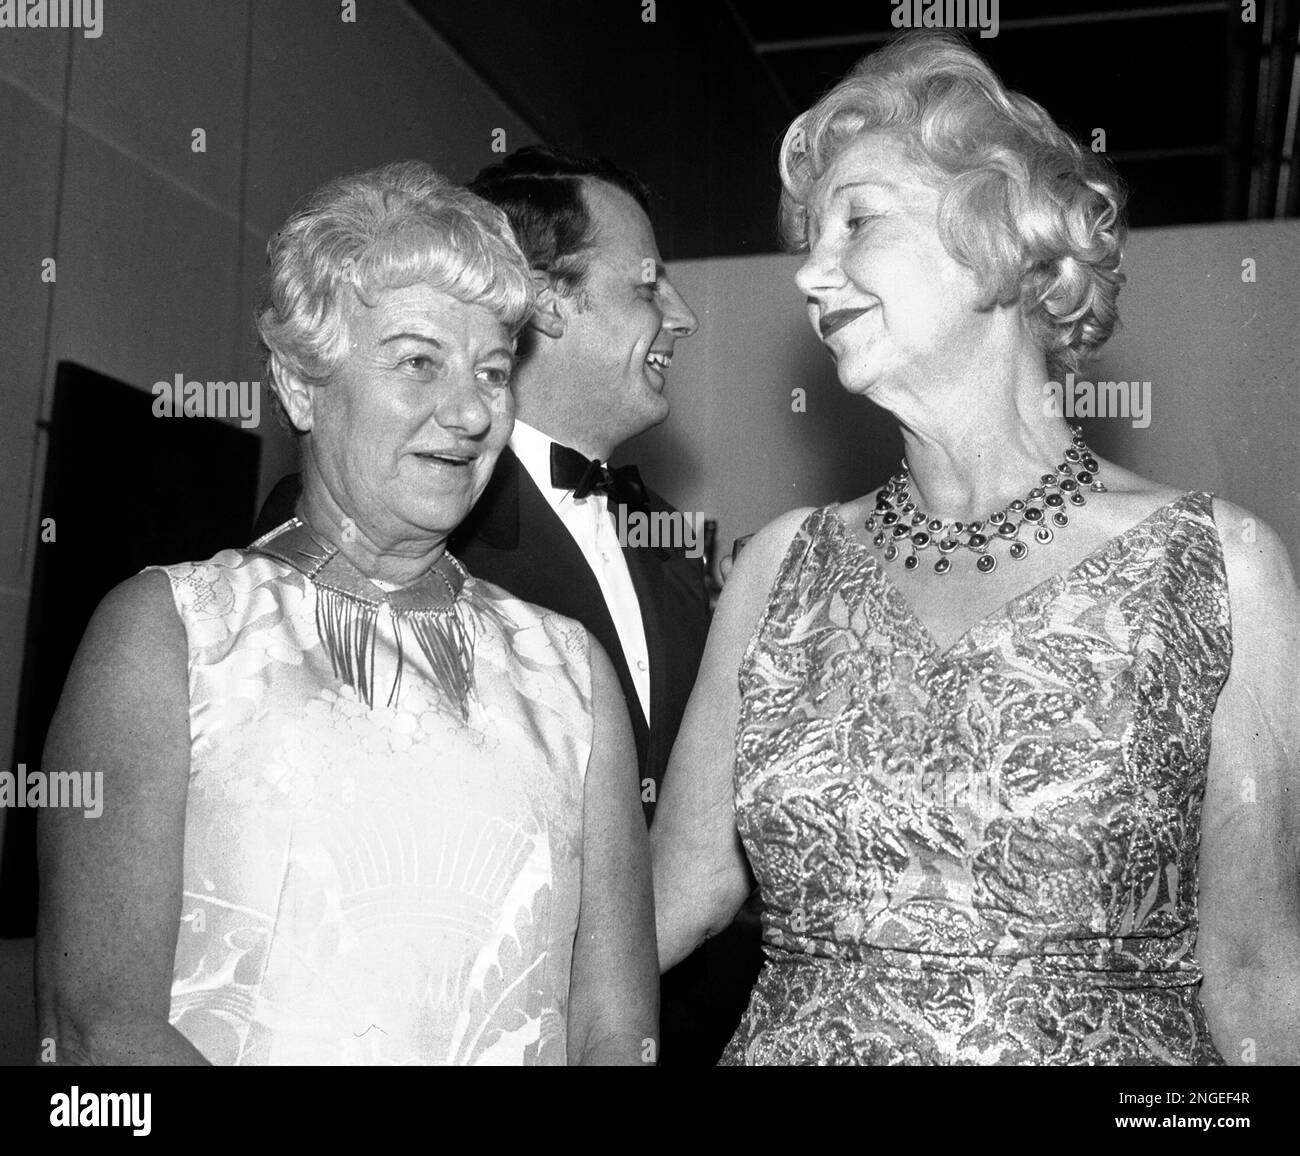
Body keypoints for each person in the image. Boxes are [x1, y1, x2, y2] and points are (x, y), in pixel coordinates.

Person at [651, 32, 1300, 1065]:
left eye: (857, 223)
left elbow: (1258, 965)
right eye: (808, 240)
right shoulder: (779, 567)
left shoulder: (1219, 566)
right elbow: (671, 899)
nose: (812, 276)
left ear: (996, 234)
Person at [34, 161, 656, 1066]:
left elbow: (618, 1031)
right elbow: (96, 1031)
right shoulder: (168, 634)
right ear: (298, 384)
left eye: (492, 370)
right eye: (418, 362)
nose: (473, 409)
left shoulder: (570, 674)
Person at [254, 147, 743, 1063]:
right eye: (647, 286)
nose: (680, 314)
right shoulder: (399, 510)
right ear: (545, 299)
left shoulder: (673, 541)